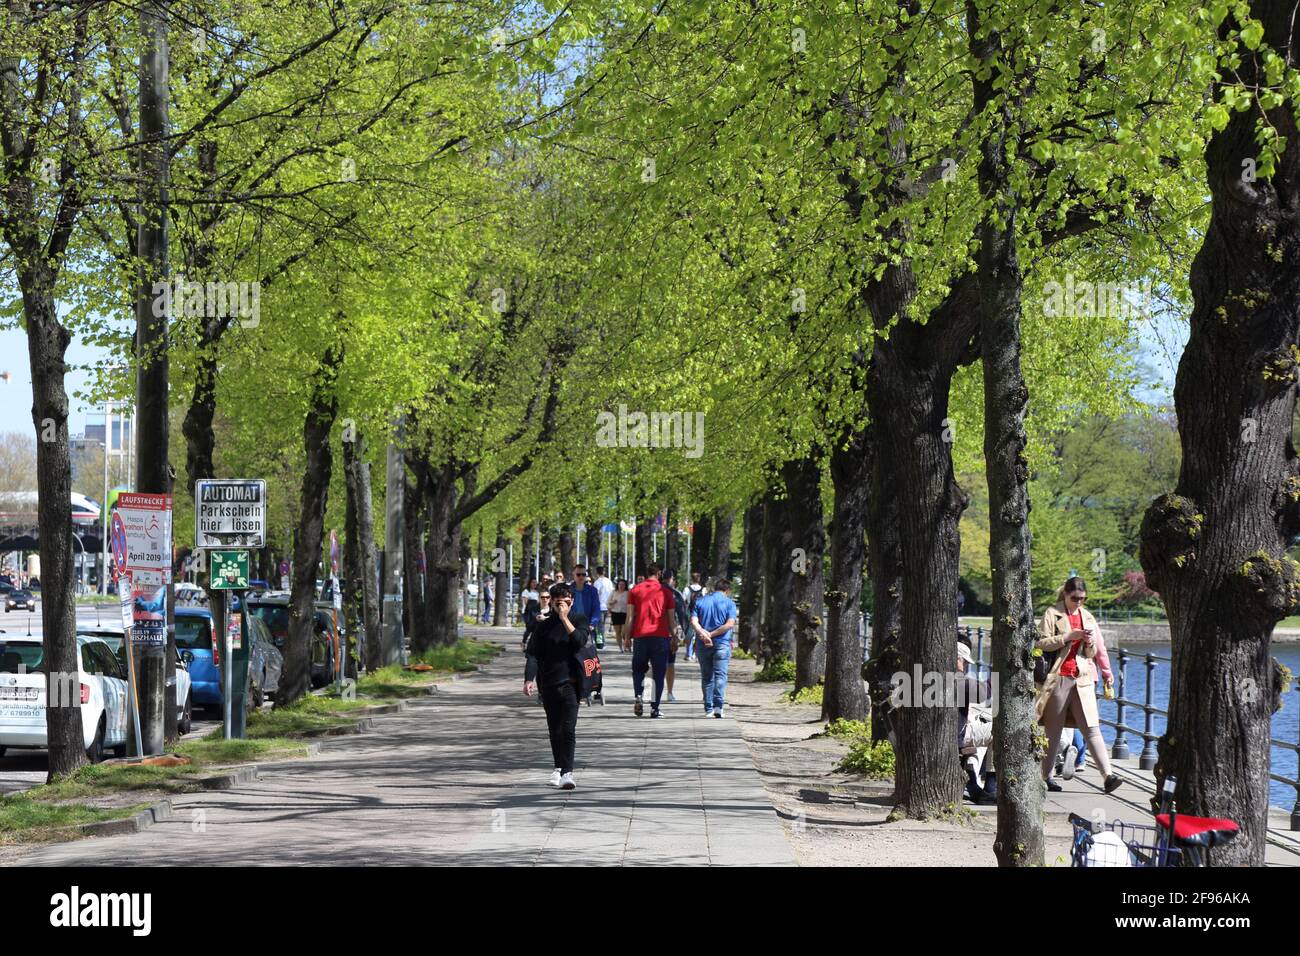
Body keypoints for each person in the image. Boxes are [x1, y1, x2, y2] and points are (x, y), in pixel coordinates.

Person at [1036, 576, 1120, 794]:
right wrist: (1068, 637)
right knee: (1052, 732)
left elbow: (1093, 652)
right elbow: (1041, 642)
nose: (1079, 602)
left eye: (1083, 598)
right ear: (1065, 594)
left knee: (1092, 728)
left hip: (1082, 679)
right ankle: (1045, 777)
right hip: (1058, 678)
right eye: (1075, 598)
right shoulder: (1051, 613)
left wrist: (1089, 643)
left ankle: (1108, 776)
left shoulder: (1087, 617)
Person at [524, 583, 589, 790]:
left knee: (568, 729)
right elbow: (533, 654)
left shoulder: (579, 620)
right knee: (555, 730)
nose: (561, 605)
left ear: (572, 602)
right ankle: (558, 767)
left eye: (565, 601)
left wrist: (564, 619)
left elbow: (579, 641)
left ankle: (568, 772)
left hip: (571, 683)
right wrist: (528, 679)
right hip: (549, 683)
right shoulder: (543, 627)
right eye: (557, 601)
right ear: (550, 602)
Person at [627, 563, 674, 717]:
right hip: (660, 637)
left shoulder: (635, 590)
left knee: (638, 670)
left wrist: (627, 637)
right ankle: (654, 708)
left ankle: (639, 695)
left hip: (640, 637)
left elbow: (630, 617)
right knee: (659, 673)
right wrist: (674, 636)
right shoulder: (666, 592)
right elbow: (671, 618)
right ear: (659, 573)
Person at [692, 578, 738, 717]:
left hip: (702, 644)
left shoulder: (700, 601)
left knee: (707, 677)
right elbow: (730, 624)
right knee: (720, 675)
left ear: (714, 588)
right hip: (722, 644)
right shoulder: (729, 603)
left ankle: (708, 708)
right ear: (727, 590)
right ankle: (719, 706)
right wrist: (712, 634)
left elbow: (694, 621)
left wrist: (703, 633)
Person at [957, 640, 995, 803]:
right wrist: (996, 674)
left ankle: (972, 780)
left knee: (977, 725)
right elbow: (984, 693)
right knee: (998, 731)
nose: (965, 666)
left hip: (952, 733)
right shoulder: (958, 680)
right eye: (964, 662)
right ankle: (991, 786)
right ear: (957, 659)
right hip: (956, 736)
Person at [661, 569, 691, 702]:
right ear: (672, 579)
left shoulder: (651, 591)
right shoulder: (675, 594)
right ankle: (669, 693)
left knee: (653, 664)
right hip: (668, 633)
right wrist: (686, 633)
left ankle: (650, 693)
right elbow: (682, 615)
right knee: (670, 664)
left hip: (650, 633)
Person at [569, 565, 604, 650]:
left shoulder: (592, 590)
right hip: (570, 624)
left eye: (583, 574)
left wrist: (592, 624)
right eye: (578, 574)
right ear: (573, 575)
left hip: (586, 625)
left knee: (586, 652)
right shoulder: (568, 590)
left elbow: (596, 608)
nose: (581, 576)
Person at [592, 565, 614, 649]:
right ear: (604, 572)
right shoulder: (609, 581)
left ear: (597, 573)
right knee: (602, 626)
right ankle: (601, 642)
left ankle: (601, 643)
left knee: (599, 626)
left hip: (599, 606)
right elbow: (612, 593)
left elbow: (595, 595)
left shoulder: (597, 582)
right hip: (607, 606)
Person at [608, 578, 630, 652]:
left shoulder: (628, 593)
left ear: (625, 586)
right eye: (620, 584)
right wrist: (612, 602)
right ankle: (620, 648)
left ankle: (627, 645)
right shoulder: (614, 592)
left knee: (624, 632)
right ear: (617, 585)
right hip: (615, 613)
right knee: (618, 632)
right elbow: (608, 602)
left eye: (623, 585)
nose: (621, 586)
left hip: (625, 613)